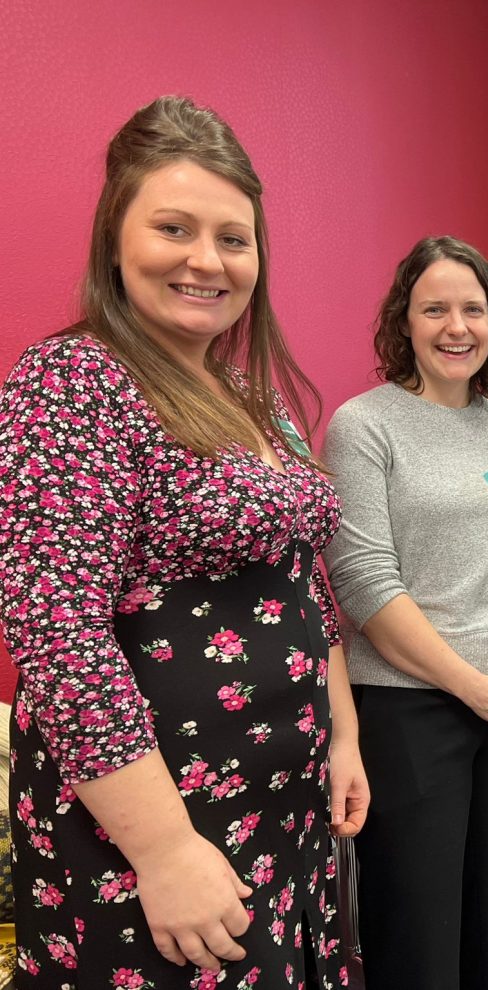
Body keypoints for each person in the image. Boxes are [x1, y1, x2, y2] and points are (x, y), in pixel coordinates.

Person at [0, 96, 367, 989]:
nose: (207, 260)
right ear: (115, 240)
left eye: (233, 238)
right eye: (174, 228)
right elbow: (57, 634)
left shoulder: (250, 391)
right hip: (153, 830)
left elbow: (302, 584)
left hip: (282, 810)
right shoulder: (70, 382)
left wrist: (343, 737)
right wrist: (164, 850)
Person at [322, 236, 488, 990]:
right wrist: (475, 686)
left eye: (473, 308)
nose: (456, 326)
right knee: (420, 921)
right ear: (406, 321)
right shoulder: (365, 427)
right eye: (435, 309)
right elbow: (363, 582)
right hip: (408, 707)